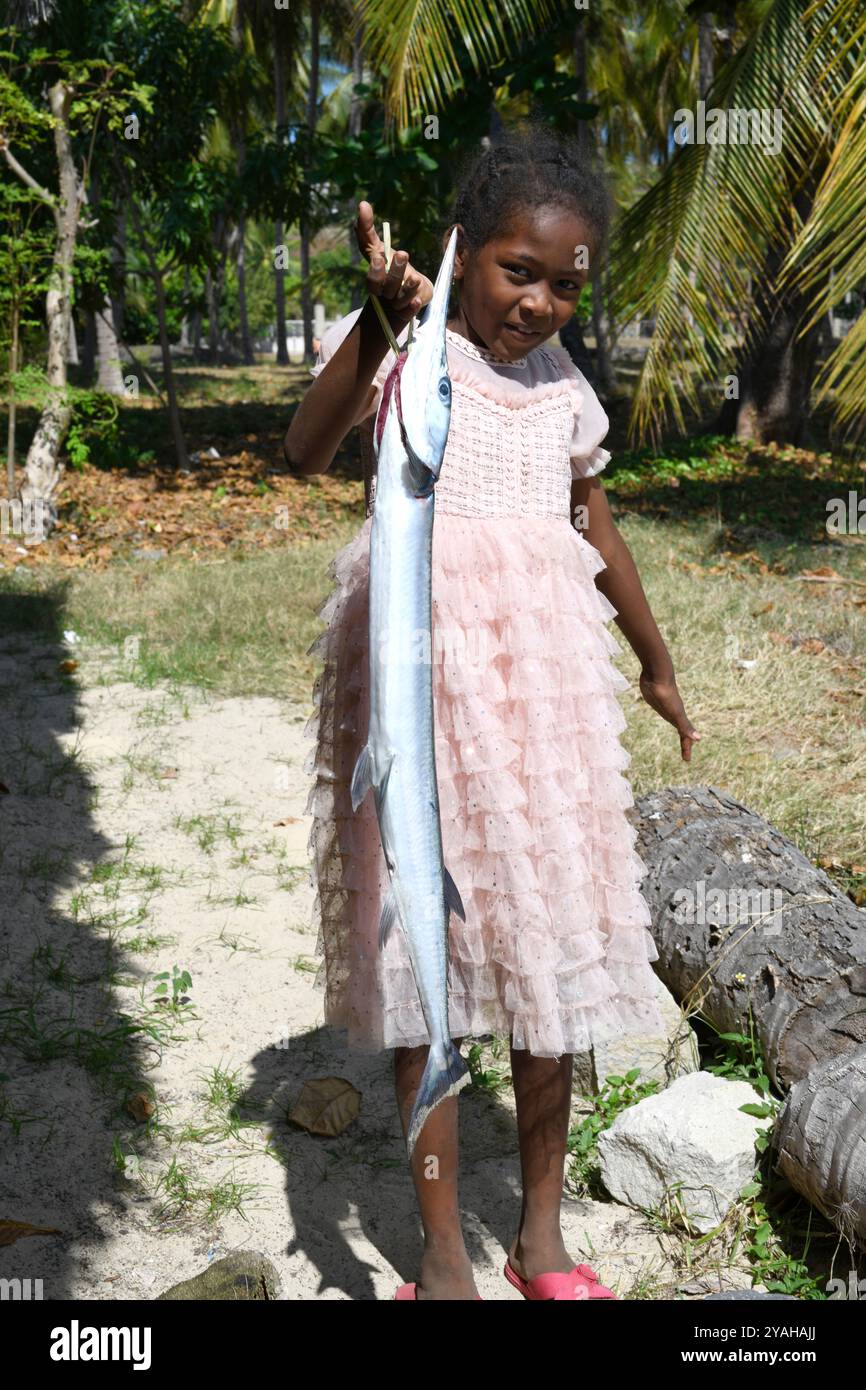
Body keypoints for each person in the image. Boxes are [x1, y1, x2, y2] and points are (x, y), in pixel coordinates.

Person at [284, 118, 701, 1302]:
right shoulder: (408, 350)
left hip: (543, 708)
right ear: (467, 252)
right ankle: (439, 1254)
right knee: (429, 956)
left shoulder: (561, 386)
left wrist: (654, 658)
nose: (539, 302)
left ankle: (539, 1236)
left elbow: (594, 525)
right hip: (417, 689)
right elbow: (306, 451)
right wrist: (380, 317)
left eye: (566, 284)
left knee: (543, 957)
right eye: (520, 270)